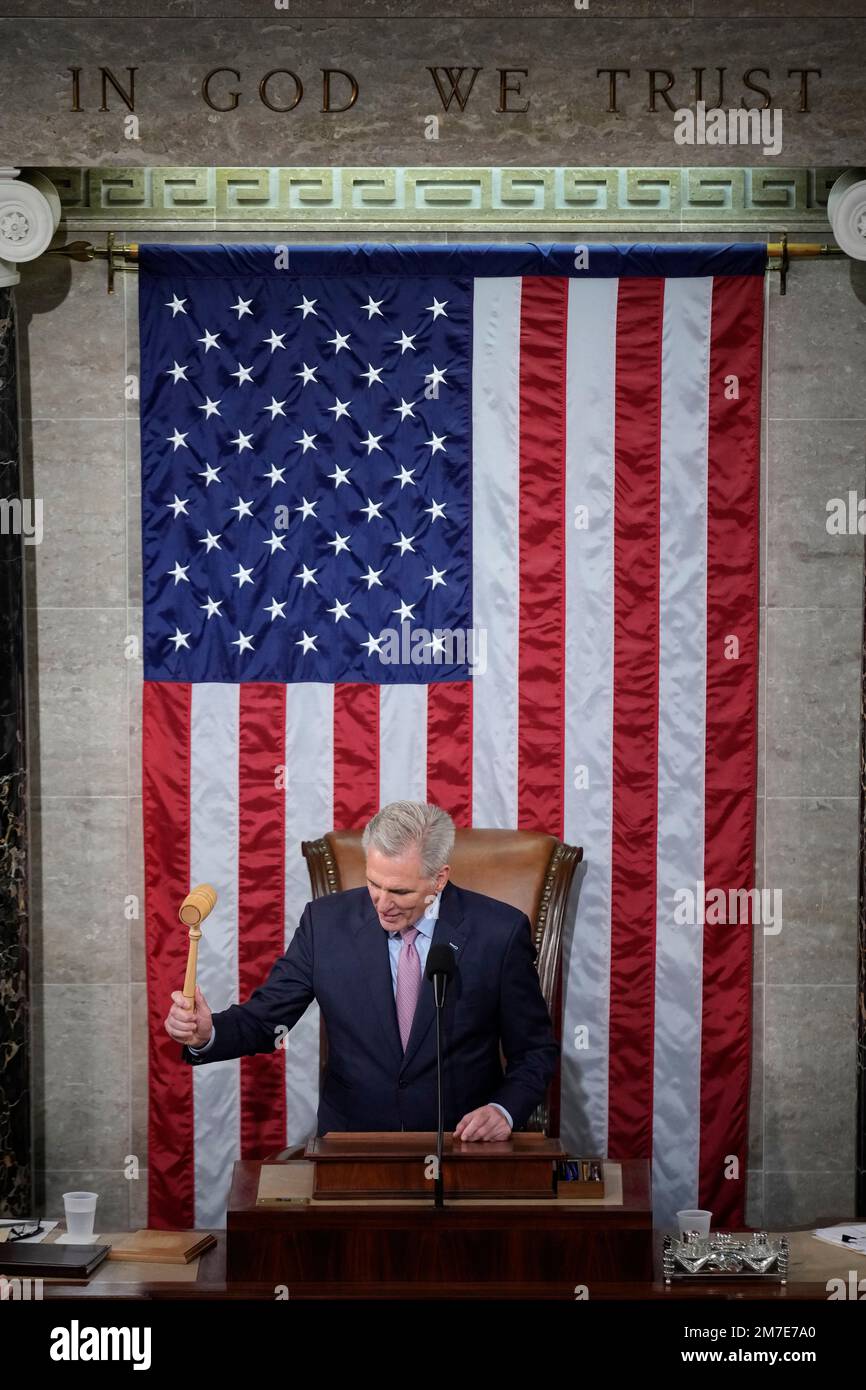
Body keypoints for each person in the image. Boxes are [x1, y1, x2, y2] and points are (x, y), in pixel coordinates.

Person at [164, 800, 559, 1141]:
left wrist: (503, 1111)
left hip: (460, 1144)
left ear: (439, 878)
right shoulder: (325, 924)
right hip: (353, 1145)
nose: (382, 904)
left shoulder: (499, 933)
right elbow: (267, 1020)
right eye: (374, 884)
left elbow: (535, 1050)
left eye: (400, 891)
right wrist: (207, 1031)